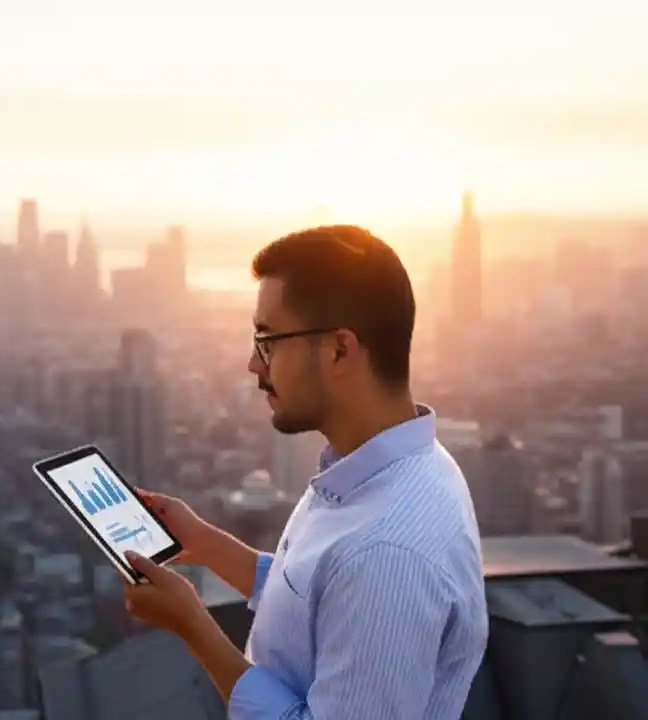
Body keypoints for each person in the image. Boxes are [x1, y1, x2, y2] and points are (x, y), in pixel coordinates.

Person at [123, 225, 487, 719]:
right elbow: (318, 599)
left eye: (267, 341)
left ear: (340, 350)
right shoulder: (400, 465)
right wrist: (206, 545)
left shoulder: (386, 553)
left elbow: (359, 579)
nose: (254, 364)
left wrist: (192, 625)